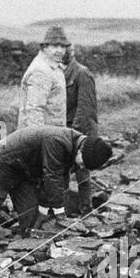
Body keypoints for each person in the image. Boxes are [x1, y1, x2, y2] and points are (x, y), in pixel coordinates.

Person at [0, 127, 113, 258]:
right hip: (3, 162)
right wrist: (60, 213)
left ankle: (29, 253)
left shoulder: (73, 147)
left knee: (31, 216)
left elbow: (60, 180)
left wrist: (49, 210)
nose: (81, 168)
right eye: (83, 164)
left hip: (25, 170)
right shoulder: (57, 141)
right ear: (81, 151)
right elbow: (52, 177)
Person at [63, 46, 99, 215]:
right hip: (65, 129)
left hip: (80, 131)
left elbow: (84, 110)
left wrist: (73, 136)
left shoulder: (82, 73)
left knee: (81, 173)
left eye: (65, 50)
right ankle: (64, 210)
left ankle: (86, 208)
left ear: (72, 53)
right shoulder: (57, 74)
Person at [17, 26, 69, 129]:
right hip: (42, 137)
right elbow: (34, 110)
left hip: (53, 133)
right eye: (55, 46)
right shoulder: (41, 71)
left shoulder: (54, 66)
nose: (60, 51)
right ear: (45, 47)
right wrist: (39, 140)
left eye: (63, 46)